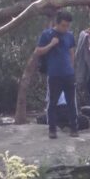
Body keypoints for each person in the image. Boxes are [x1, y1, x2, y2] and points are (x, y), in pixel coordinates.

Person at [34, 11, 78, 139]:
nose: (66, 28)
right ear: (57, 23)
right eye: (64, 25)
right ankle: (52, 130)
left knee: (71, 103)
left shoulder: (70, 35)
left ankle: (74, 128)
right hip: (54, 75)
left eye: (68, 25)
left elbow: (71, 53)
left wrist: (72, 68)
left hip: (68, 74)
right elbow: (38, 51)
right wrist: (51, 44)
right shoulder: (47, 34)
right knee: (52, 103)